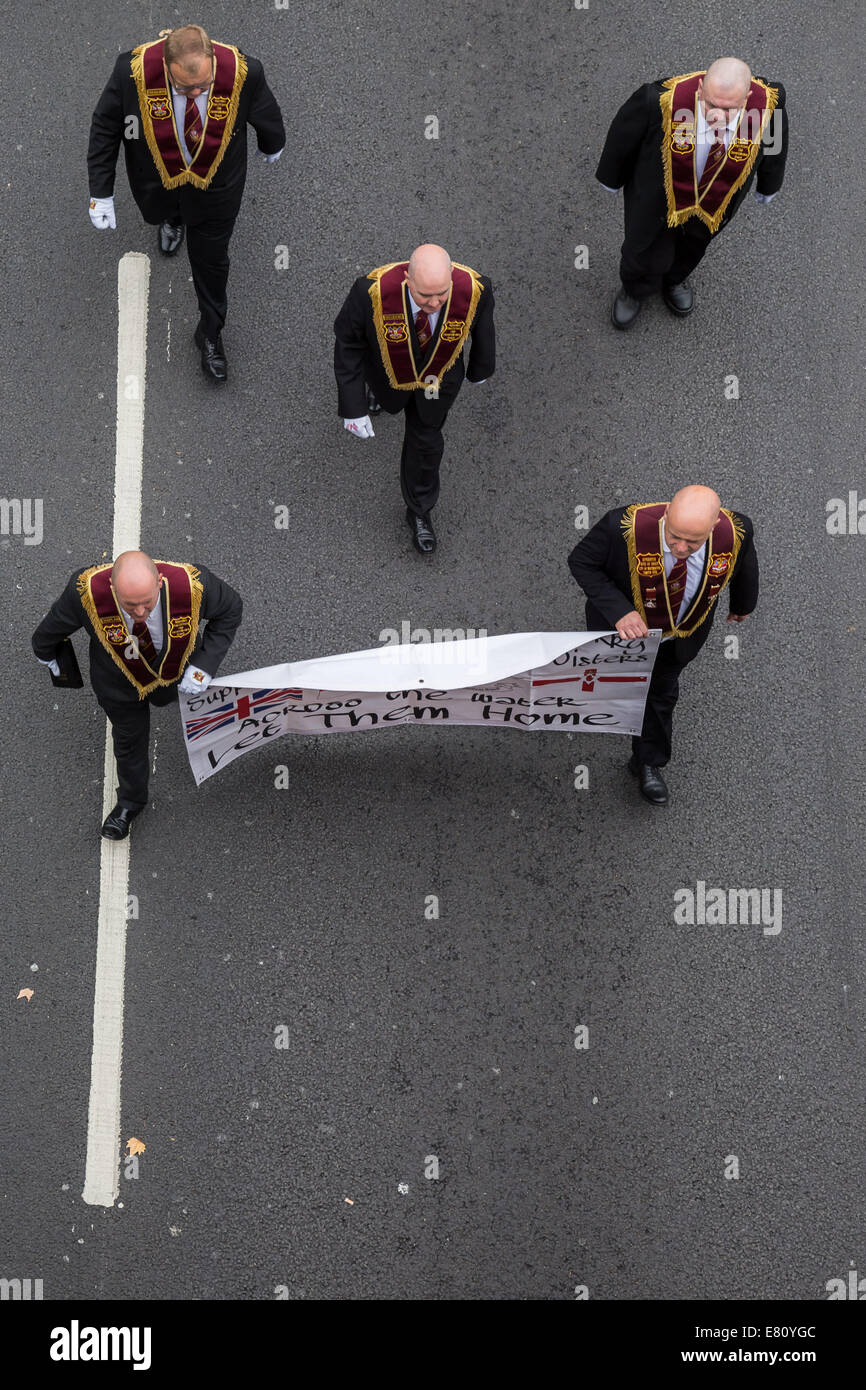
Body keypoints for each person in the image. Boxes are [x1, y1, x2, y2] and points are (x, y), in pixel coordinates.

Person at [87, 23, 285, 381]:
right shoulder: (131, 72)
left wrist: (272, 143)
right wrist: (101, 192)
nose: (195, 93)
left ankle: (210, 334)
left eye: (203, 86)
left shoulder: (244, 72)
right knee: (168, 210)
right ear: (165, 67)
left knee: (212, 266)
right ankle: (173, 220)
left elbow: (264, 108)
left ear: (212, 60)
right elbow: (106, 126)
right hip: (160, 183)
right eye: (184, 87)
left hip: (217, 191)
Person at [567, 486, 758, 804]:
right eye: (674, 537)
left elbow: (744, 563)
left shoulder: (736, 530)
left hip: (679, 637)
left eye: (693, 542)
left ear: (713, 527)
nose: (681, 548)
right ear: (666, 514)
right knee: (614, 683)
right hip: (621, 634)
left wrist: (742, 603)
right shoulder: (623, 526)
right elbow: (582, 562)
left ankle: (648, 762)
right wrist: (620, 611)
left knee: (660, 694)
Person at [32, 550, 242, 838]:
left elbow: (230, 610)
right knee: (128, 741)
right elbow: (52, 627)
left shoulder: (194, 585)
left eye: (147, 603)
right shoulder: (86, 593)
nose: (140, 613)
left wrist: (204, 665)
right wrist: (44, 652)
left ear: (160, 582)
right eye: (129, 605)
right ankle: (131, 802)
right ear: (113, 590)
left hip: (176, 671)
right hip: (119, 683)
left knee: (178, 702)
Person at [596, 57, 788, 327]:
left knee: (695, 245)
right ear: (700, 89)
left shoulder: (768, 104)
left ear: (747, 98)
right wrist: (611, 177)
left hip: (714, 201)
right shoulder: (658, 100)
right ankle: (635, 289)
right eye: (709, 104)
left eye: (729, 109)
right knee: (642, 247)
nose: (716, 116)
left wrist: (770, 182)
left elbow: (774, 143)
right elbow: (622, 137)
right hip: (656, 198)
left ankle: (674, 279)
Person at [333, 243, 495, 554]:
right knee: (383, 389)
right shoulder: (371, 291)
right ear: (407, 278)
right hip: (386, 372)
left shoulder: (475, 288)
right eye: (424, 296)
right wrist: (352, 408)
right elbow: (348, 342)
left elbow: (483, 328)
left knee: (426, 442)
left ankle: (420, 510)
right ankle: (376, 396)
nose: (435, 304)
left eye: (442, 294)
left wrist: (480, 368)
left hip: (438, 379)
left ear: (451, 277)